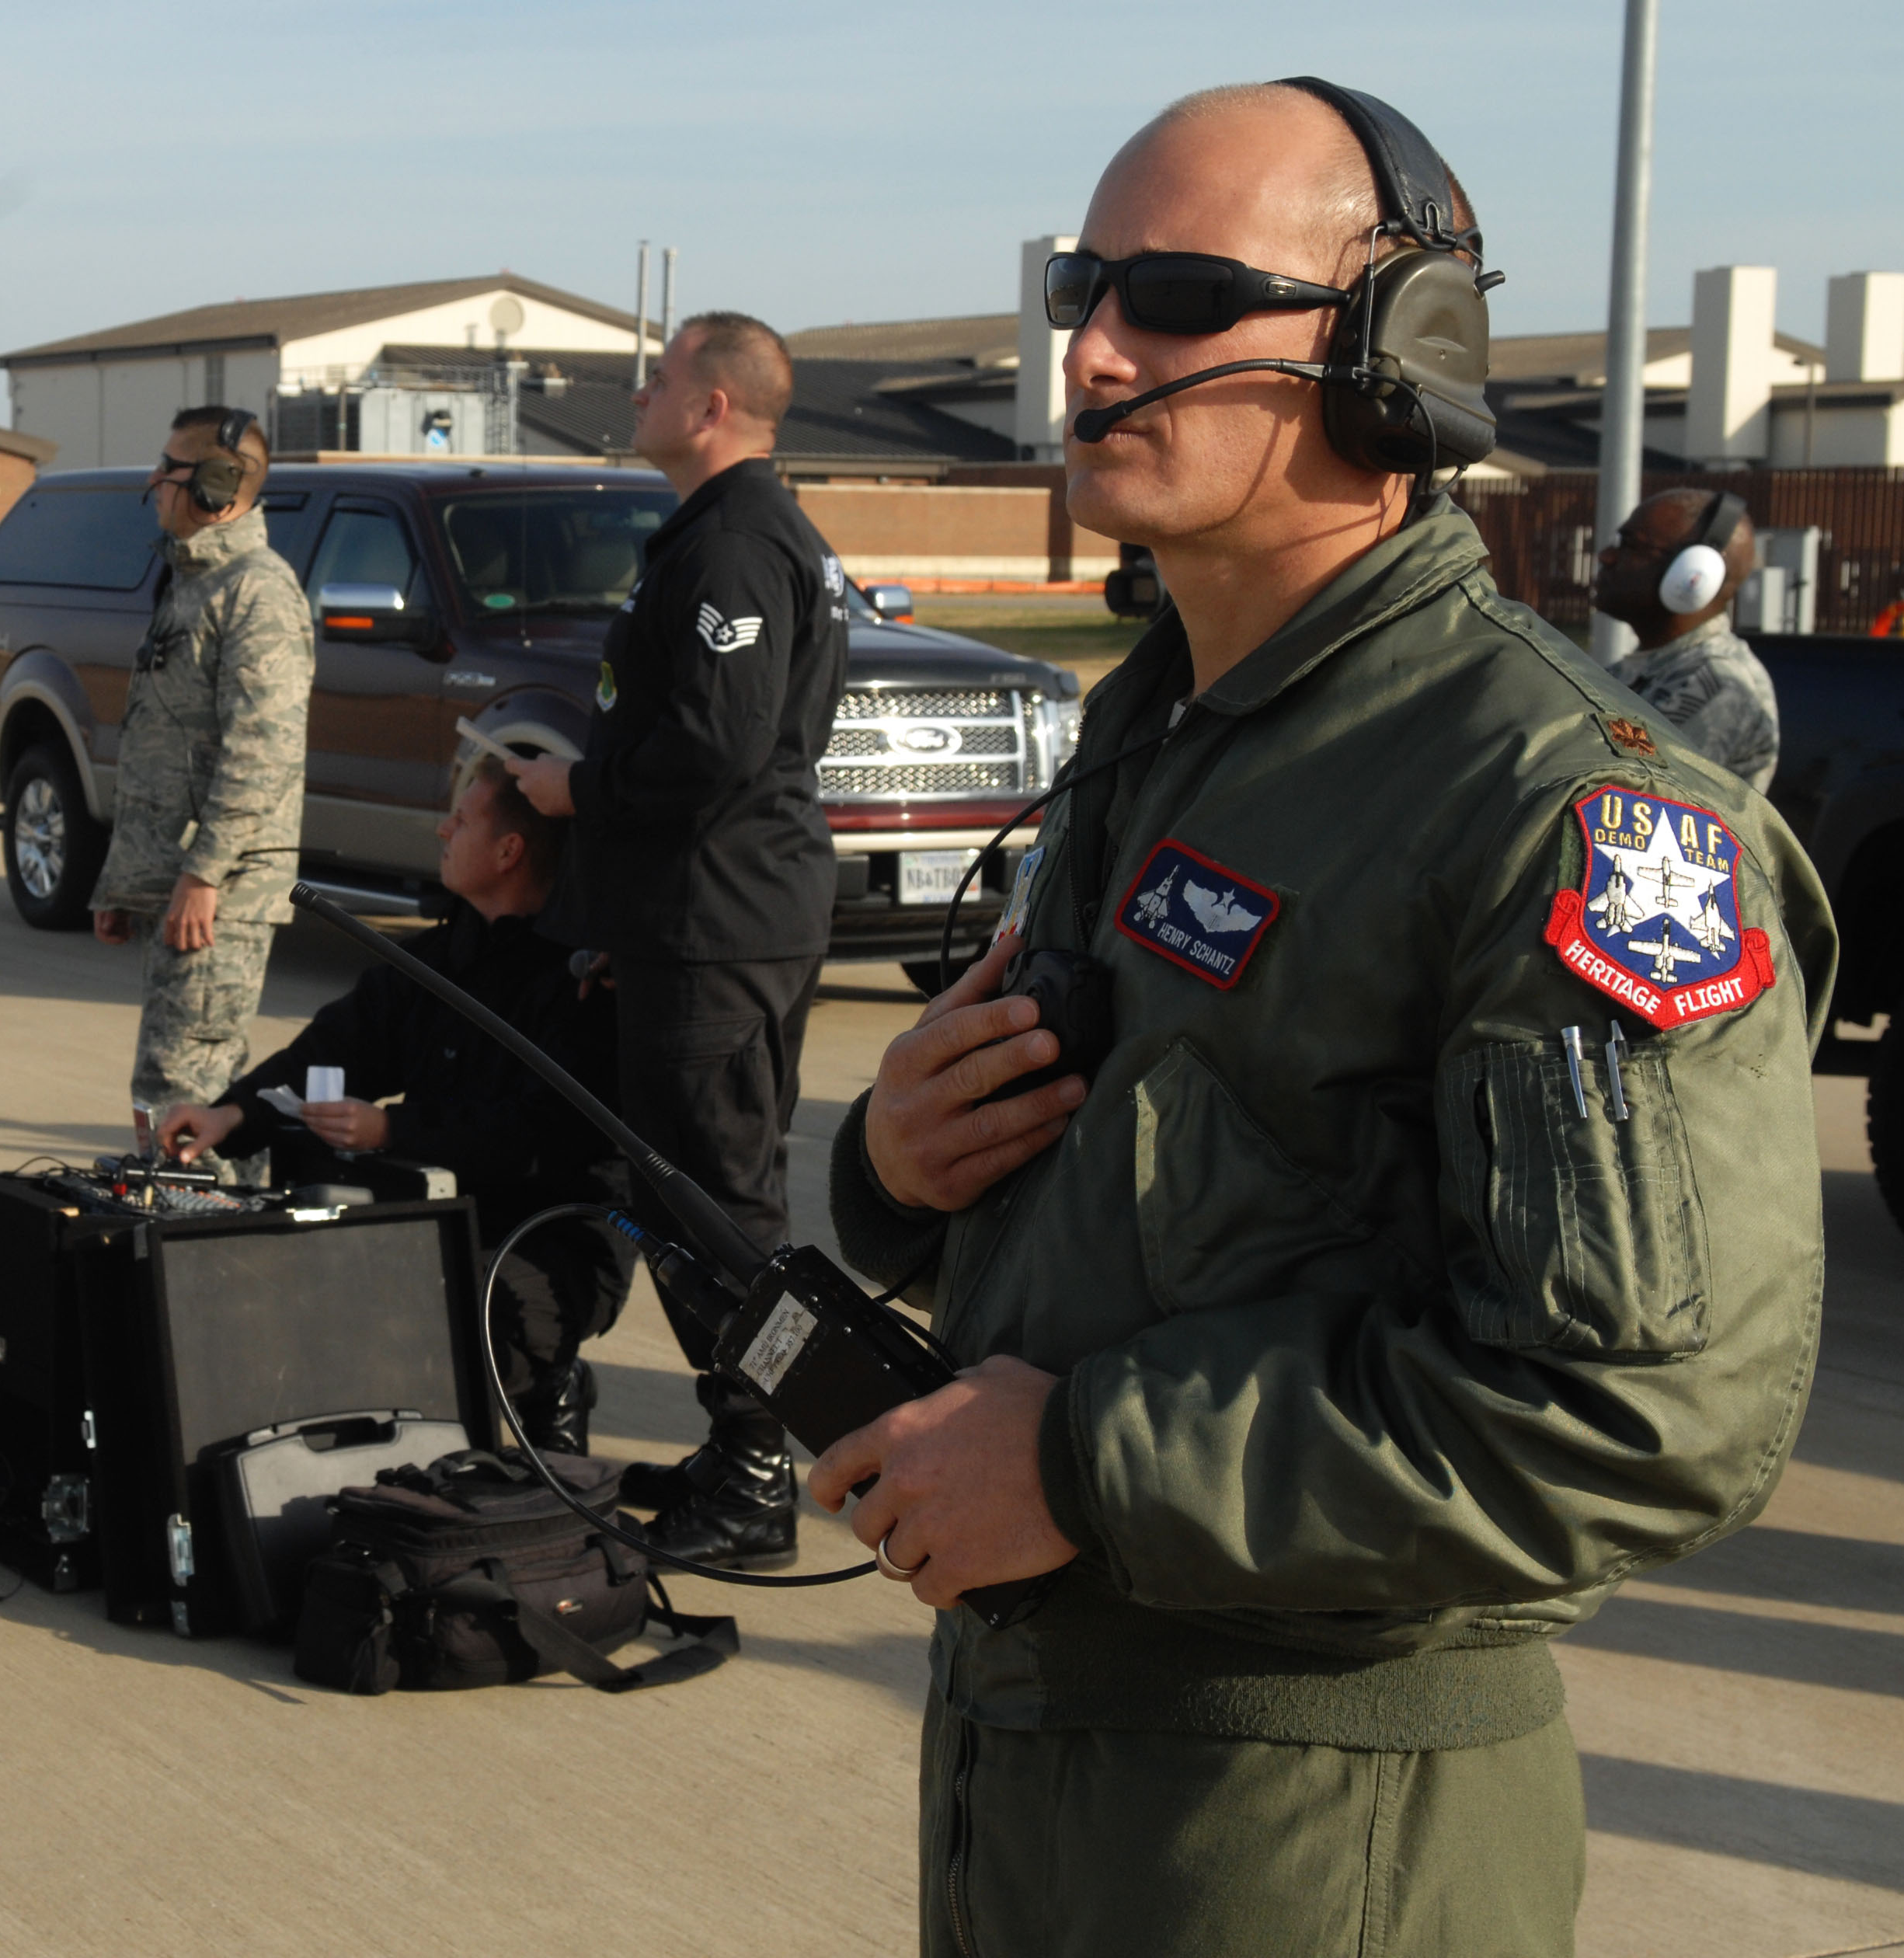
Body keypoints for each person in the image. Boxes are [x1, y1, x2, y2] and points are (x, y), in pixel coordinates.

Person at [811, 81, 1835, 1956]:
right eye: (1080, 286)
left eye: (1181, 297)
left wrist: (1080, 1465)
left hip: (1305, 1841)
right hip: (1036, 1773)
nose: (1092, 348)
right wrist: (893, 1170)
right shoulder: (1159, 735)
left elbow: (1636, 1412)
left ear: (1393, 353)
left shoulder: (1561, 809)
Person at [506, 312, 848, 1567]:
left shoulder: (738, 547)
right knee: (693, 1193)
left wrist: (576, 793)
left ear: (709, 405)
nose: (637, 396)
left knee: (717, 1210)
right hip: (689, 917)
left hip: (722, 921)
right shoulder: (721, 537)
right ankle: (736, 1450)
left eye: (655, 379)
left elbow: (717, 743)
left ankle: (759, 1473)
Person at [156, 757, 632, 1452]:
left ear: (509, 851)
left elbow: (540, 1136)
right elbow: (336, 1047)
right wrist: (231, 1115)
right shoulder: (438, 957)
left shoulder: (582, 982)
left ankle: (548, 1389)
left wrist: (393, 1128)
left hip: (550, 1238)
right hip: (440, 1217)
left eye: (462, 819)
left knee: (431, 1315)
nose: (443, 828)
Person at [91, 408, 315, 1133]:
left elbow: (262, 750)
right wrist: (125, 883)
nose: (155, 484)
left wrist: (204, 874)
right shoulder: (192, 583)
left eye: (170, 470)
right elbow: (163, 749)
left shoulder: (258, 592)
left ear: (219, 486)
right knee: (181, 1088)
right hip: (182, 886)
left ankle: (196, 1237)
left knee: (182, 1096)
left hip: (220, 895)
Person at [1592, 486, 1782, 789]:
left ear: (1692, 575)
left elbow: (1619, 789)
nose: (1607, 556)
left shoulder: (1718, 684)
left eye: (1631, 545)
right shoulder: (1643, 669)